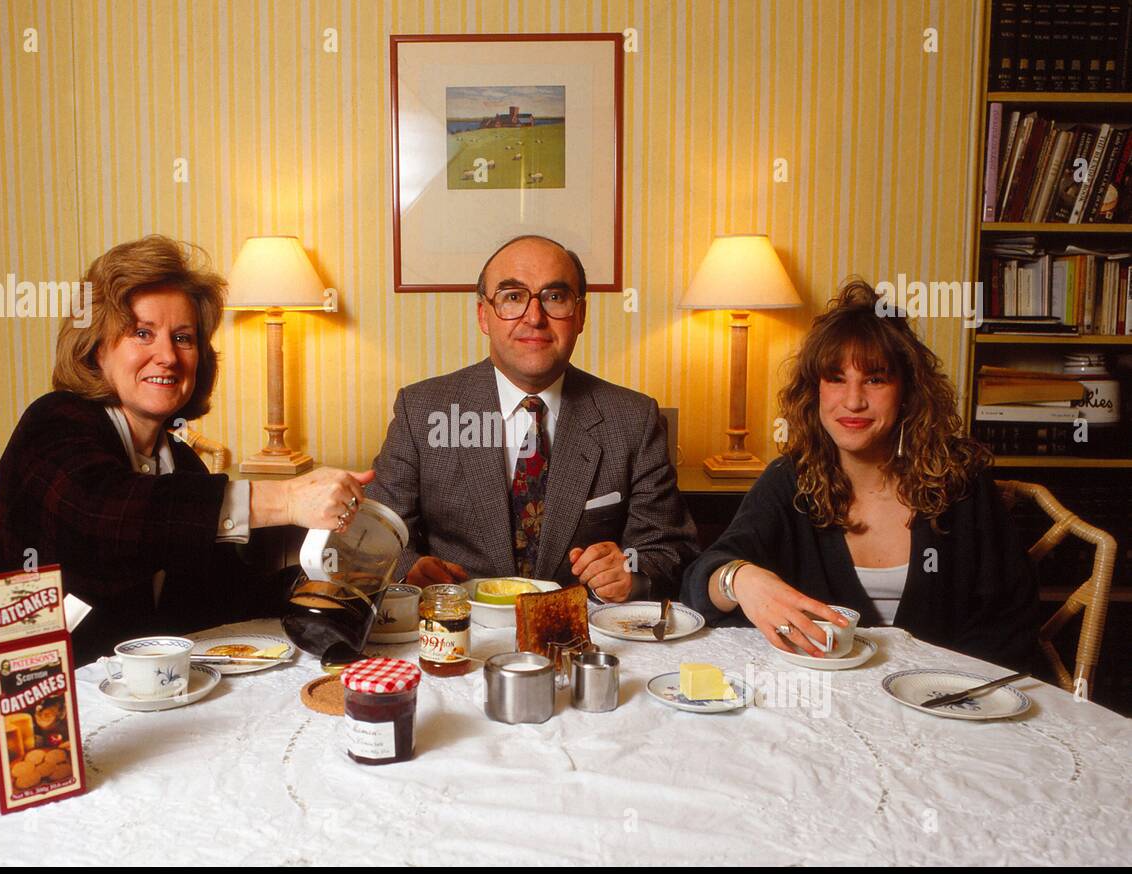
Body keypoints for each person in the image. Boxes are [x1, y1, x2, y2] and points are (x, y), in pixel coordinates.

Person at [0, 235, 373, 751]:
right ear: (97, 347)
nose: (167, 356)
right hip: (23, 729)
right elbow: (106, 514)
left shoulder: (179, 462)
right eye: (142, 333)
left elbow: (223, 597)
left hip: (139, 719)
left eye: (184, 338)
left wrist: (350, 578)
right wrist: (287, 500)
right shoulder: (53, 424)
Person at [681, 278, 1042, 673]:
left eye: (875, 379)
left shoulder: (960, 481)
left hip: (947, 696)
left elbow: (1011, 623)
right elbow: (699, 584)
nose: (853, 401)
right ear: (815, 390)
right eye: (836, 378)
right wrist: (739, 579)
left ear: (907, 390)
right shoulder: (791, 479)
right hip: (827, 695)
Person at [367, 235, 698, 601]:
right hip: (460, 623)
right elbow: (375, 538)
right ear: (483, 315)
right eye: (513, 297)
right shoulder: (422, 411)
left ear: (580, 316)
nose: (535, 317)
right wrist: (407, 569)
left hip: (581, 626)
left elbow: (670, 550)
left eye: (554, 297)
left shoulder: (634, 419)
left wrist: (633, 574)